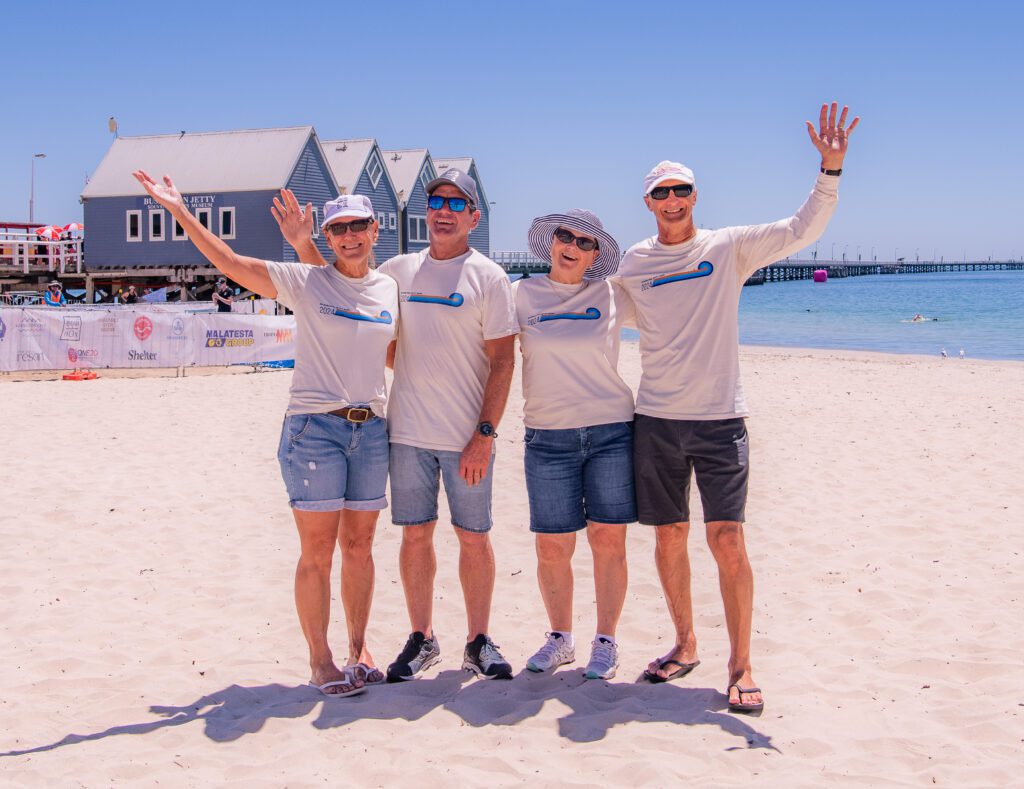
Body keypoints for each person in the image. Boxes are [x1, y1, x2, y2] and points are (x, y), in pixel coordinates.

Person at [614, 102, 859, 714]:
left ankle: (742, 662)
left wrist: (829, 172)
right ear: (648, 203)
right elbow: (590, 317)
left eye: (681, 191)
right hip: (658, 422)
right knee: (669, 538)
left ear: (695, 196)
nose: (672, 200)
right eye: (661, 193)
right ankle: (685, 642)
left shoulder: (729, 248)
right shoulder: (635, 265)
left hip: (721, 420)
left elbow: (802, 228)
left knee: (727, 540)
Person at [134, 170, 399, 698]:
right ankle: (321, 661)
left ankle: (358, 648)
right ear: (328, 238)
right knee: (318, 553)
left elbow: (395, 355)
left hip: (371, 430)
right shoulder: (307, 280)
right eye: (338, 229)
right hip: (315, 431)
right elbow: (231, 264)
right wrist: (181, 210)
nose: (349, 236)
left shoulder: (389, 286)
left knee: (362, 546)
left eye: (358, 227)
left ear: (374, 231)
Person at [279, 169, 519, 681]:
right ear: (425, 212)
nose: (445, 211)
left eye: (458, 204)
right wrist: (303, 245)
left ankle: (477, 640)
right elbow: (340, 297)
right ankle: (422, 638)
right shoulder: (396, 272)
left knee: (473, 538)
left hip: (467, 439)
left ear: (474, 217)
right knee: (415, 538)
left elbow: (503, 361)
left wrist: (485, 433)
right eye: (437, 202)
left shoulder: (491, 277)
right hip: (404, 434)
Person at [514, 209, 635, 680]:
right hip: (547, 436)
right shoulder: (521, 294)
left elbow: (676, 308)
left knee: (608, 541)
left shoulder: (613, 294)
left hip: (610, 432)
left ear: (596, 256)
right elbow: (487, 348)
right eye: (566, 237)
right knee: (552, 546)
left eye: (586, 243)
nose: (573, 247)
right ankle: (560, 638)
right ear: (552, 242)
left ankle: (605, 640)